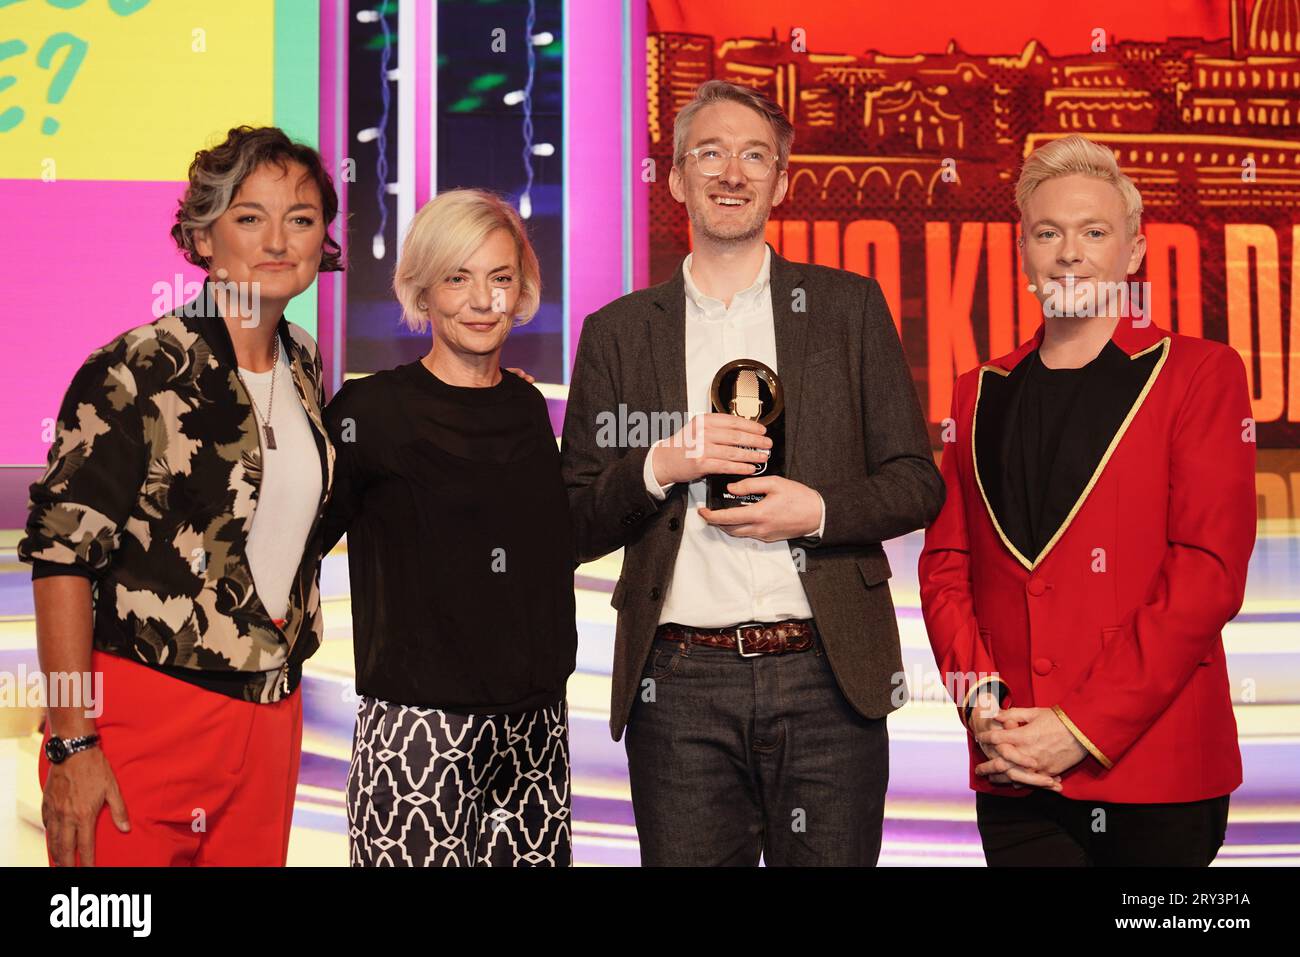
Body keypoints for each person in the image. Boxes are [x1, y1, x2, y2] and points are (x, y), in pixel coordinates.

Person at [561, 80, 944, 866]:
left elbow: (916, 480)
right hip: (680, 689)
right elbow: (574, 521)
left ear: (781, 179)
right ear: (674, 179)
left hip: (828, 679)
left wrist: (818, 511)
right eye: (709, 152)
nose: (731, 172)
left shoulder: (848, 308)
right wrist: (661, 464)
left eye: (753, 155)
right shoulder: (618, 333)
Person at [918, 133, 1256, 866]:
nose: (1069, 251)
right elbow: (946, 566)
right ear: (1025, 254)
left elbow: (1207, 574)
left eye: (1094, 231)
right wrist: (983, 707)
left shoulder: (1200, 373)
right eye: (1049, 232)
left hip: (1157, 770)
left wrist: (1079, 726)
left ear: (1134, 253)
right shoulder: (978, 391)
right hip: (1014, 772)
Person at [20, 125, 341, 866]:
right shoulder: (134, 370)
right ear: (202, 239)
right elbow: (60, 555)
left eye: (300, 218)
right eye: (248, 217)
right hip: (143, 714)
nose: (277, 239)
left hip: (271, 717)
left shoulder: (306, 365)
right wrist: (71, 738)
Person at [322, 188, 576, 867]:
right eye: (458, 278)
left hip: (533, 735)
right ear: (423, 290)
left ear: (521, 288)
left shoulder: (526, 406)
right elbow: (300, 538)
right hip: (416, 735)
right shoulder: (369, 410)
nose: (481, 299)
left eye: (500, 278)